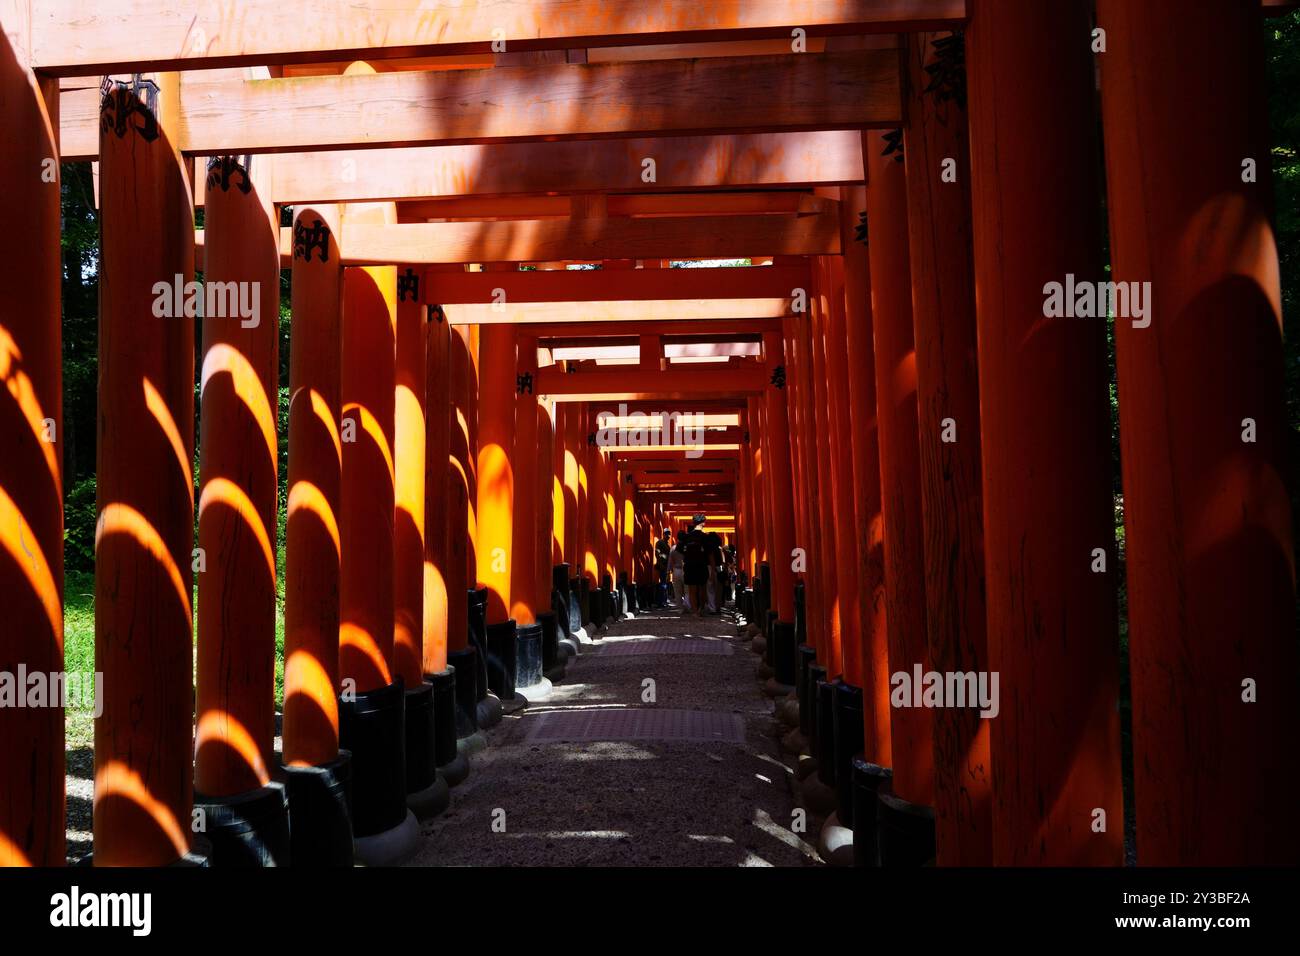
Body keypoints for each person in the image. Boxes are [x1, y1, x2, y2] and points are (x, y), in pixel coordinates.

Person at [682, 522, 709, 616]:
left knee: (692, 589)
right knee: (702, 588)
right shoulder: (704, 537)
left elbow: (682, 552)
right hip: (702, 564)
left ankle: (694, 611)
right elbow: (709, 553)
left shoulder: (686, 537)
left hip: (689, 565)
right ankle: (701, 609)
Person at [654, 527, 672, 606]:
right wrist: (661, 563)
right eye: (667, 534)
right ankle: (661, 602)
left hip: (666, 566)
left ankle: (663, 600)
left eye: (669, 534)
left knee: (664, 583)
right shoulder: (660, 543)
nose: (668, 535)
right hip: (662, 566)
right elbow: (657, 553)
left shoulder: (667, 544)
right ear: (663, 534)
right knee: (663, 584)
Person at [668, 532, 686, 608]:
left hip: (676, 570)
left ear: (677, 538)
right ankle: (687, 605)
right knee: (687, 590)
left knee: (677, 590)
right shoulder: (686, 547)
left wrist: (668, 571)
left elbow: (670, 560)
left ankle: (680, 607)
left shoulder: (673, 548)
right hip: (686, 570)